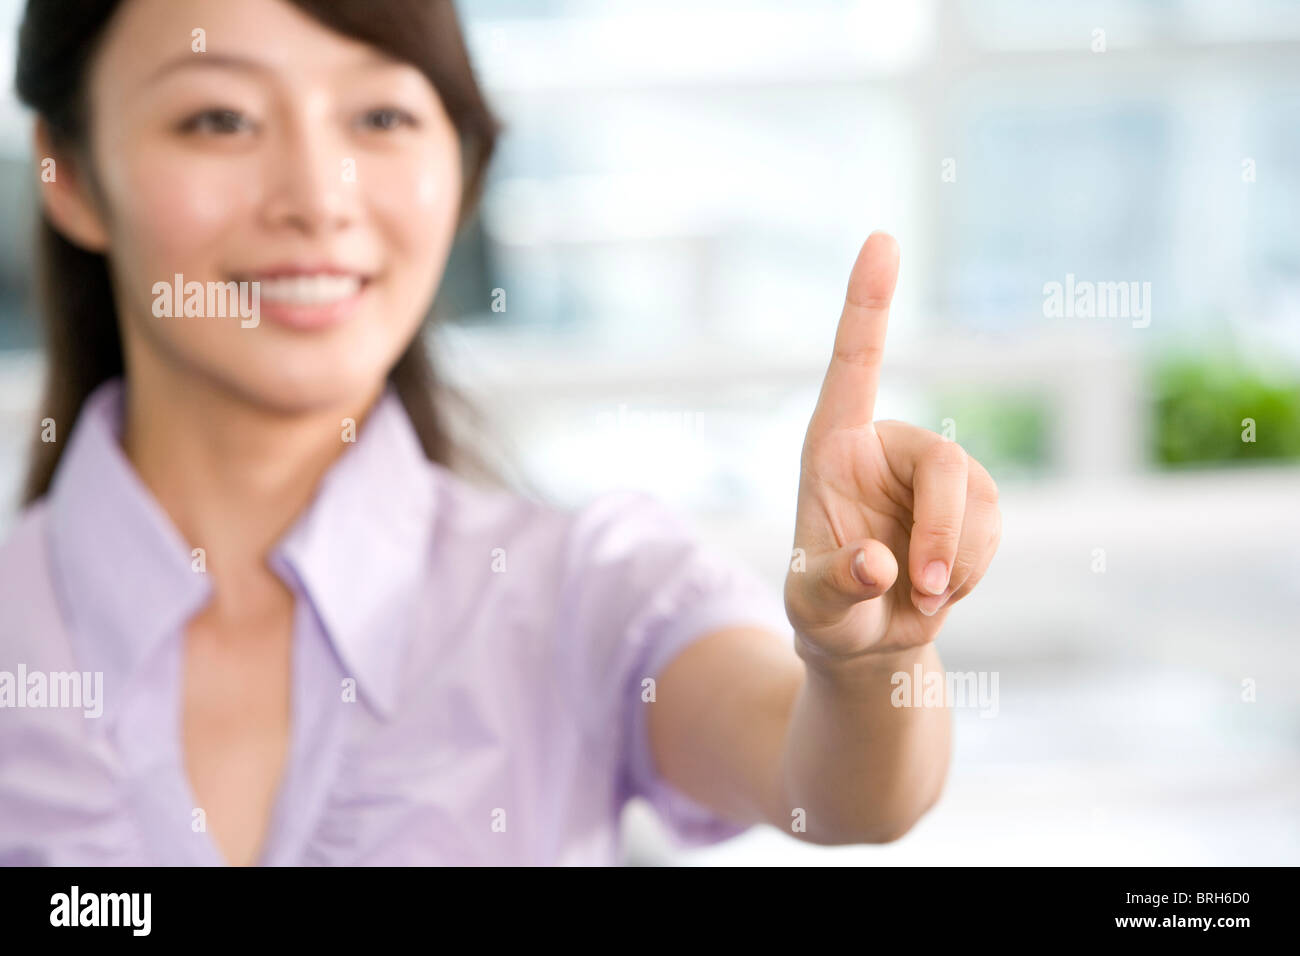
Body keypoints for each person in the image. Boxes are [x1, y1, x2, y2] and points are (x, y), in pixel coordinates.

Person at [0, 0, 1001, 866]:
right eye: (219, 117)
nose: (315, 197)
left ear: (460, 164)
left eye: (381, 115)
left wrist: (866, 667)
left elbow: (830, 786)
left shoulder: (584, 590)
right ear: (69, 171)